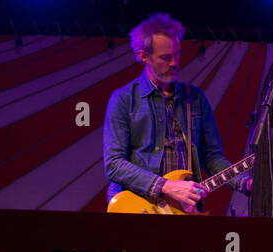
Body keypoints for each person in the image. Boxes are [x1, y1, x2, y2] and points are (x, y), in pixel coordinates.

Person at [103, 12, 247, 212]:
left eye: (177, 54)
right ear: (143, 56)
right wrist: (166, 186)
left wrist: (245, 183)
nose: (174, 63)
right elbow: (114, 164)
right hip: (138, 207)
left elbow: (211, 157)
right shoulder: (123, 99)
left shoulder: (195, 98)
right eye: (165, 57)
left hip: (185, 210)